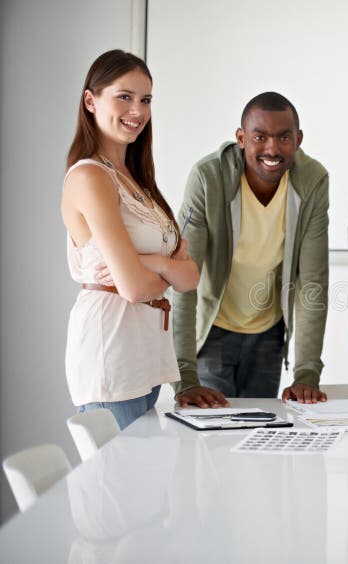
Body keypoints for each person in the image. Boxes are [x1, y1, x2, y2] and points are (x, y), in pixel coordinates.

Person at [61, 50, 200, 429]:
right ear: (91, 100)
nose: (137, 110)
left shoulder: (138, 181)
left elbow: (190, 278)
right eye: (124, 96)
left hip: (147, 360)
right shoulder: (90, 177)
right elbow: (135, 288)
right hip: (111, 357)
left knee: (147, 485)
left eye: (145, 99)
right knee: (119, 486)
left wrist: (153, 264)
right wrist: (161, 268)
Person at [171, 92, 329, 407]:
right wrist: (185, 376)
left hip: (269, 334)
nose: (272, 148)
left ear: (298, 140)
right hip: (213, 330)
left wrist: (307, 374)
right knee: (213, 438)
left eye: (284, 137)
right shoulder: (208, 178)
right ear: (241, 139)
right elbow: (183, 278)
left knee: (257, 436)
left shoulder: (313, 180)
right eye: (260, 137)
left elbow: (312, 282)